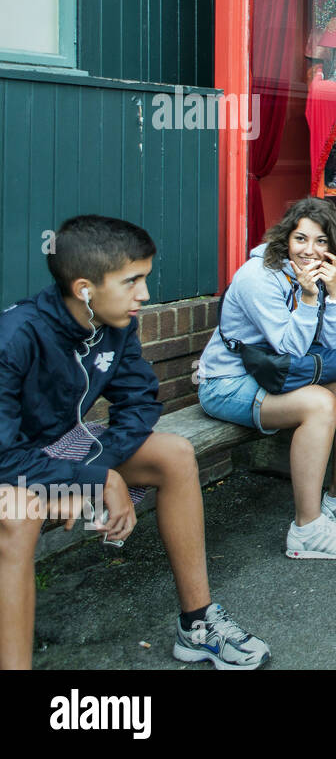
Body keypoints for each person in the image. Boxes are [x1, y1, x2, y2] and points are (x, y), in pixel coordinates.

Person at [0, 216, 268, 669]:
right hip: (10, 459)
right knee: (19, 517)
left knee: (174, 453)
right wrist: (94, 477)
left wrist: (99, 468)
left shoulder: (116, 323)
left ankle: (197, 625)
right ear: (85, 288)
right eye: (132, 281)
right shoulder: (17, 336)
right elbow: (5, 456)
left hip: (58, 447)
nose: (143, 294)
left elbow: (140, 402)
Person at [197, 197, 336, 559]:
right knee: (320, 404)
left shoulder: (330, 271)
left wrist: (334, 293)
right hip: (226, 382)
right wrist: (310, 297)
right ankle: (307, 528)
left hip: (276, 378)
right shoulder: (258, 276)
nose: (309, 250)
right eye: (300, 239)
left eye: (320, 241)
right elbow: (291, 349)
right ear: (287, 238)